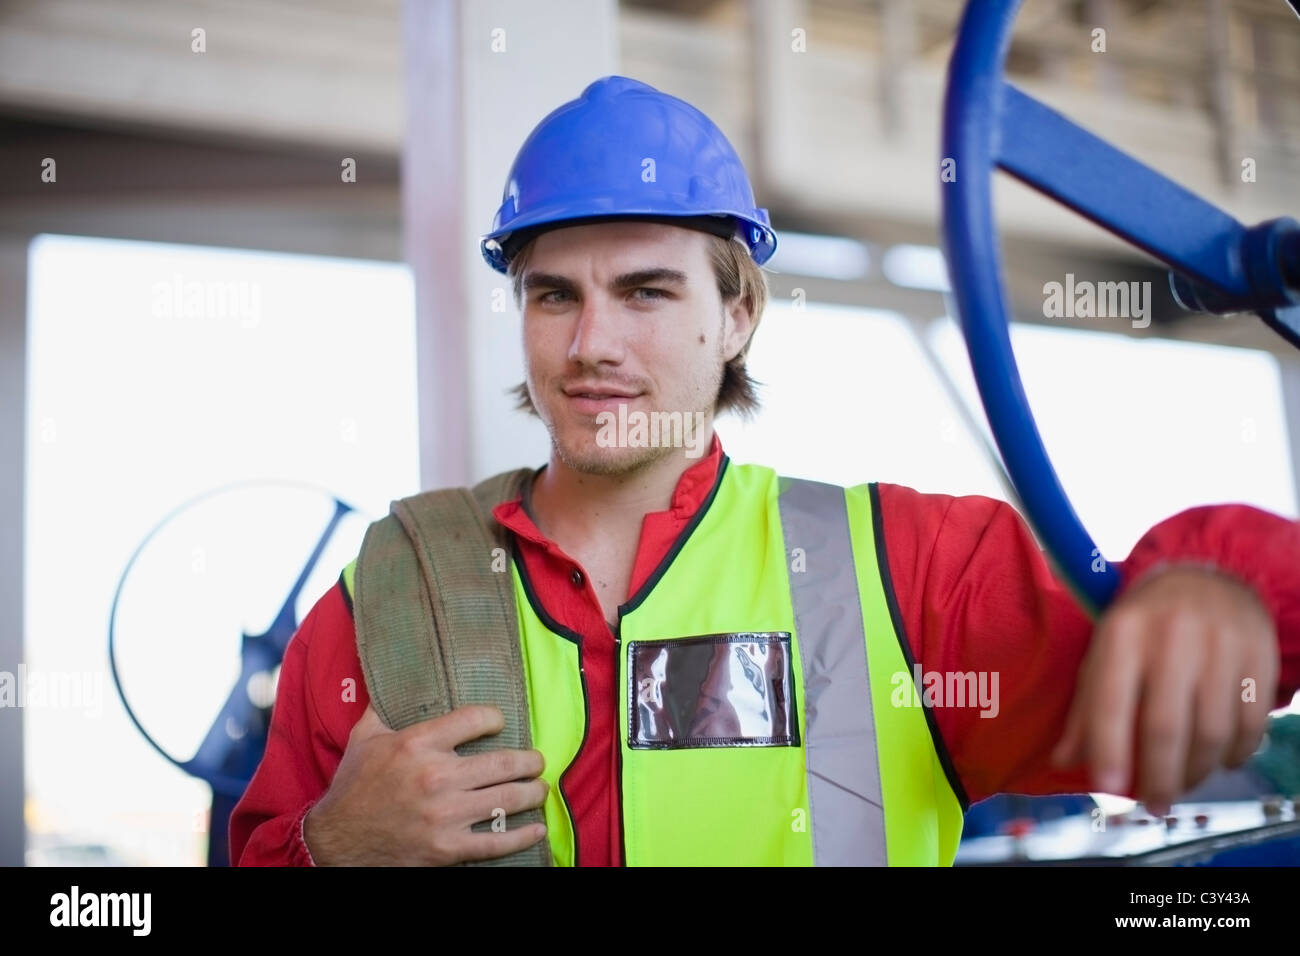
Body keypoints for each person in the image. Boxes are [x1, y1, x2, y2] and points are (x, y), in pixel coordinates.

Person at [229, 75, 1300, 867]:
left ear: (737, 313)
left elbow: (1176, 641)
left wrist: (1215, 581)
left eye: (646, 292)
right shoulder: (392, 594)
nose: (590, 341)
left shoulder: (904, 575)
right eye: (554, 294)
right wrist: (328, 845)